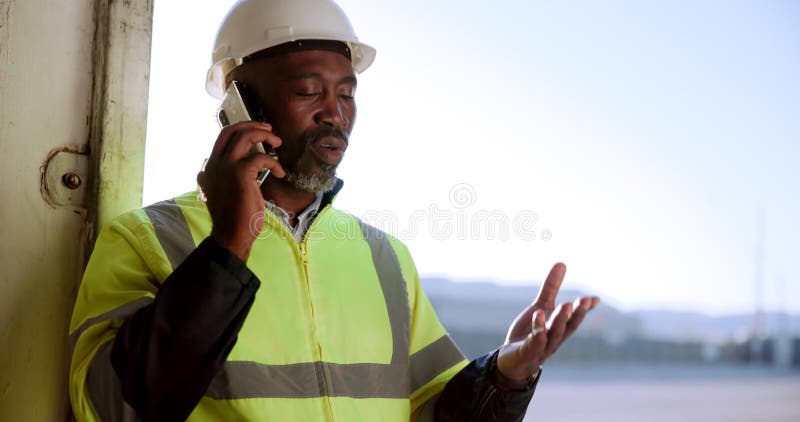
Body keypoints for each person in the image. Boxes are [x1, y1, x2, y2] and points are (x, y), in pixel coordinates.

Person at [68, 0, 600, 420]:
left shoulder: (385, 258)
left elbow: (434, 414)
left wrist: (505, 375)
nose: (335, 113)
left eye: (347, 94)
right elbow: (108, 409)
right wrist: (228, 245)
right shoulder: (143, 239)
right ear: (240, 107)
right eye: (308, 91)